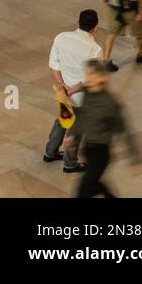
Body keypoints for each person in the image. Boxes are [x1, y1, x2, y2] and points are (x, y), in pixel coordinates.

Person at [69, 59, 142, 198]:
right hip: (88, 150)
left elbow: (125, 130)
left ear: (102, 77)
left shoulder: (110, 102)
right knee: (94, 184)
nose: (87, 78)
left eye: (91, 74)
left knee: (83, 190)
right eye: (86, 74)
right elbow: (83, 117)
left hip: (101, 153)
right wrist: (73, 135)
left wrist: (136, 160)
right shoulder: (87, 93)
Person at [44, 9, 103, 174]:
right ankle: (70, 163)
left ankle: (50, 152)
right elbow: (89, 80)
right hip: (81, 97)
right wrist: (73, 90)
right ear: (95, 27)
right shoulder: (95, 49)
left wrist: (62, 86)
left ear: (78, 22)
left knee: (62, 121)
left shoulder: (61, 37)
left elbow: (54, 63)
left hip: (62, 92)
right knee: (75, 130)